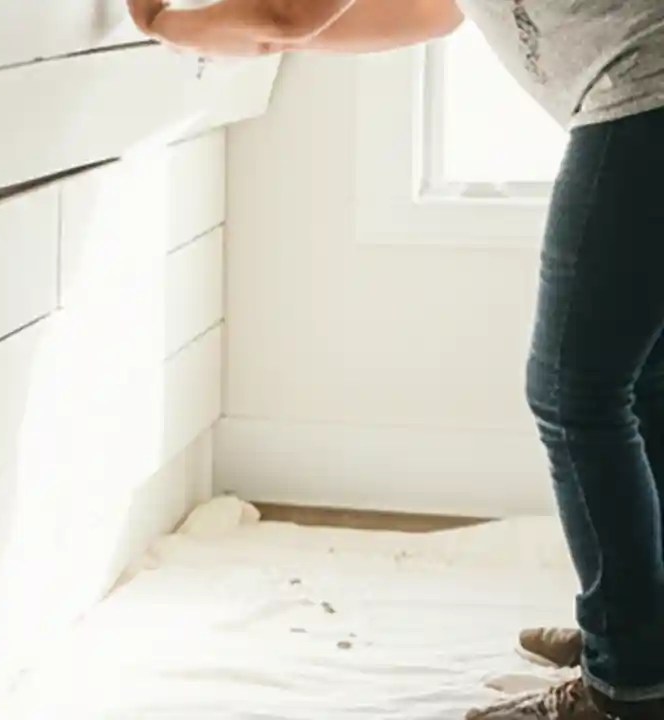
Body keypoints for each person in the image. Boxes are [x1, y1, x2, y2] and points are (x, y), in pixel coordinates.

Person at [126, 0, 664, 718]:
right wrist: (272, 35)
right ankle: (641, 633)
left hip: (643, 107)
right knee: (641, 382)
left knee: (575, 394)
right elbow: (431, 12)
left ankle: (626, 684)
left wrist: (161, 20)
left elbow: (286, 12)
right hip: (644, 106)